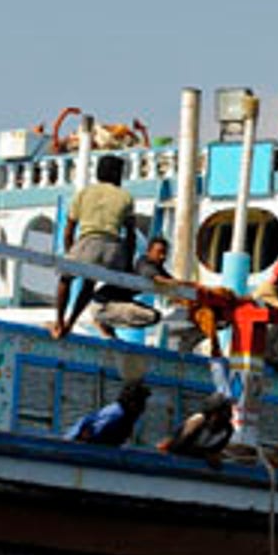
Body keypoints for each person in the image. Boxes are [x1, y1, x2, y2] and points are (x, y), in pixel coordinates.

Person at [51, 155, 136, 339]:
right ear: (116, 174)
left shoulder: (83, 193)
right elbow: (130, 235)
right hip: (114, 250)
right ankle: (71, 322)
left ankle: (59, 322)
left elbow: (69, 230)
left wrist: (70, 254)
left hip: (88, 242)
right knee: (90, 283)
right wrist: (128, 264)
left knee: (65, 279)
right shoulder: (125, 197)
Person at [93, 237, 170, 340]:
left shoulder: (158, 267)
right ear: (149, 252)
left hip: (118, 302)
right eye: (159, 252)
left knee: (154, 317)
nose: (162, 257)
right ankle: (102, 320)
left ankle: (107, 325)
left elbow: (172, 281)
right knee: (151, 315)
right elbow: (159, 278)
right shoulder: (145, 264)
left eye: (164, 253)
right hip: (103, 303)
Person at [65, 378, 150, 446]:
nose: (143, 408)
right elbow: (88, 431)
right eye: (141, 403)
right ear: (132, 403)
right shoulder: (118, 417)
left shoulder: (120, 412)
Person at [158, 392, 234, 466]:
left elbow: (215, 453)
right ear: (213, 413)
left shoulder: (227, 430)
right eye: (224, 411)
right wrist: (206, 455)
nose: (227, 414)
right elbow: (178, 448)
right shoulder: (198, 421)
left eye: (228, 411)